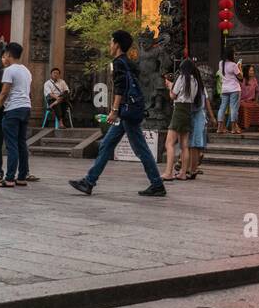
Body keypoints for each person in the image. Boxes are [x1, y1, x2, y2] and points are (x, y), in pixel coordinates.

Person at [68, 29, 166, 197]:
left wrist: (114, 110)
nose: (109, 45)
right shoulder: (129, 62)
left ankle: (157, 184)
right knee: (107, 145)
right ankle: (89, 181)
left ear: (117, 44)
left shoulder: (119, 62)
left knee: (141, 149)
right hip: (128, 111)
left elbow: (120, 88)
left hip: (126, 113)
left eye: (111, 41)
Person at [0, 42, 34, 187]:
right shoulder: (26, 70)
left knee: (11, 144)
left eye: (4, 55)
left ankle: (9, 178)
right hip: (26, 108)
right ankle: (21, 177)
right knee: (21, 143)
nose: (4, 58)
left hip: (13, 109)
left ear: (8, 55)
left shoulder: (9, 70)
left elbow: (3, 93)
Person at [162, 59, 200, 181]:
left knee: (169, 143)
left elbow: (173, 95)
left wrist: (170, 87)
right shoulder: (195, 80)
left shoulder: (181, 78)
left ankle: (168, 172)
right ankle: (183, 173)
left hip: (179, 109)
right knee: (184, 145)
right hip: (188, 110)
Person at [187, 70, 217, 177]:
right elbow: (206, 103)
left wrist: (212, 117)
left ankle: (192, 168)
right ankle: (191, 167)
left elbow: (205, 103)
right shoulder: (198, 87)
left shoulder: (196, 87)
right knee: (195, 145)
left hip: (197, 117)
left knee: (194, 145)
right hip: (199, 117)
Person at [215, 48, 242, 135]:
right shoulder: (233, 65)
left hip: (225, 89)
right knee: (233, 108)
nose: (234, 55)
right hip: (234, 88)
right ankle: (233, 128)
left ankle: (219, 127)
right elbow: (240, 77)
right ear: (231, 54)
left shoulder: (221, 63)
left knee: (222, 107)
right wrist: (240, 68)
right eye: (234, 54)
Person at [238, 62, 259, 132]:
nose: (252, 72)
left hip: (251, 101)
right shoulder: (242, 79)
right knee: (245, 108)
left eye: (253, 70)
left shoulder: (254, 80)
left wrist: (256, 101)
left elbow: (258, 90)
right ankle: (244, 126)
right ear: (246, 71)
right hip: (242, 101)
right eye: (250, 70)